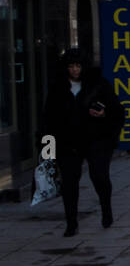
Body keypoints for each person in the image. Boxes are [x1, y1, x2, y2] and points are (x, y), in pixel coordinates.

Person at [42, 48, 124, 236]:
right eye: (71, 66)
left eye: (78, 66)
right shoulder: (58, 87)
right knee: (69, 181)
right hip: (68, 141)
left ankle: (106, 209)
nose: (75, 70)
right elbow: (49, 116)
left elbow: (117, 111)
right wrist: (48, 142)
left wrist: (104, 114)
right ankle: (71, 222)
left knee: (99, 176)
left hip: (96, 139)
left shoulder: (99, 85)